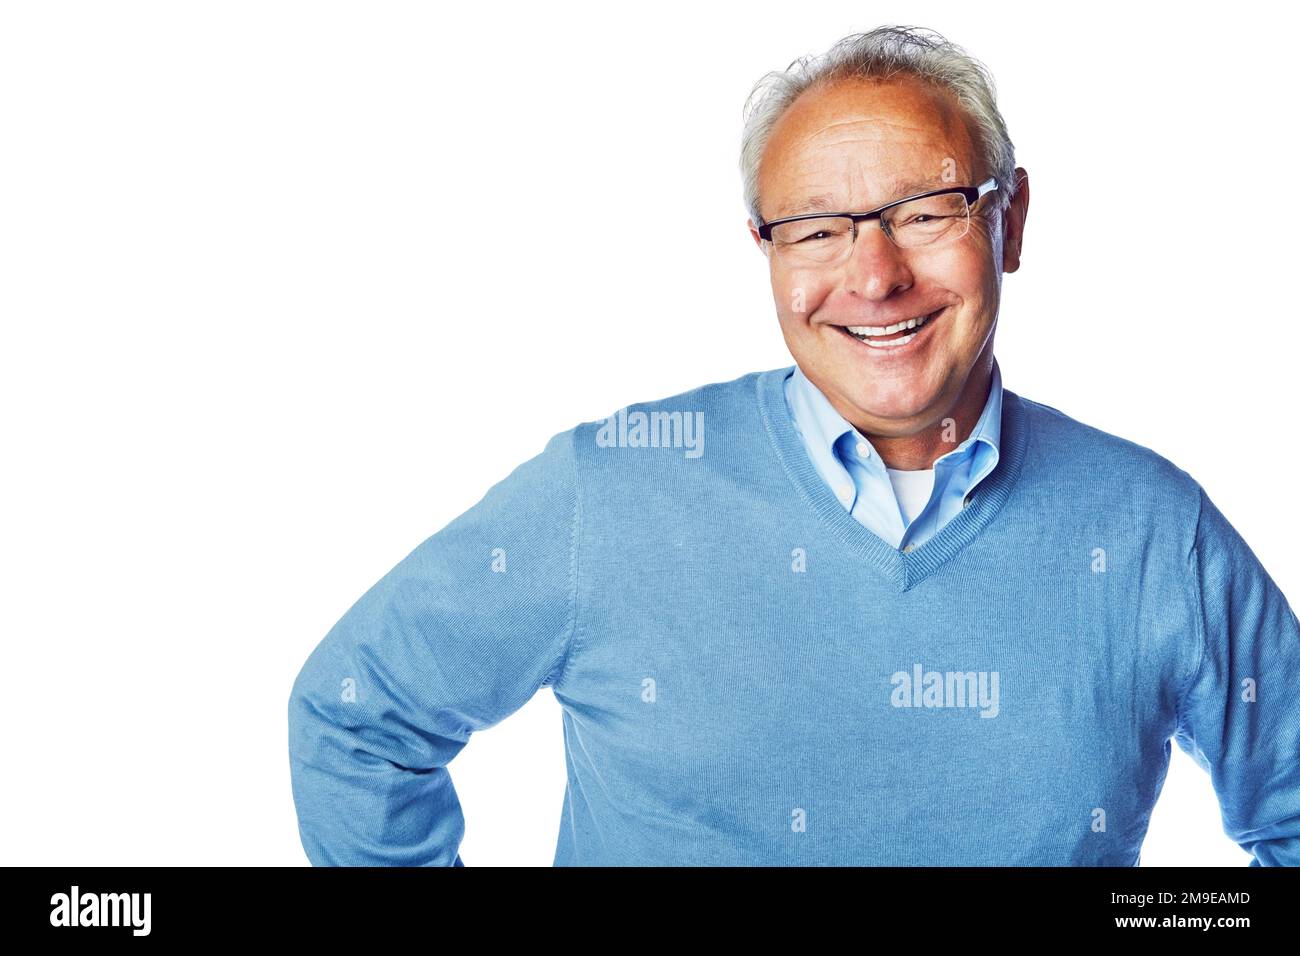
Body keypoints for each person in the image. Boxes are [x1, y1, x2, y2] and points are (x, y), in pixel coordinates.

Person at [287, 25, 1300, 866]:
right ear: (765, 252)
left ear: (1011, 220)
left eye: (925, 211)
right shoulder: (609, 489)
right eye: (816, 228)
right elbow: (352, 720)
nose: (875, 275)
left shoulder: (1154, 532)